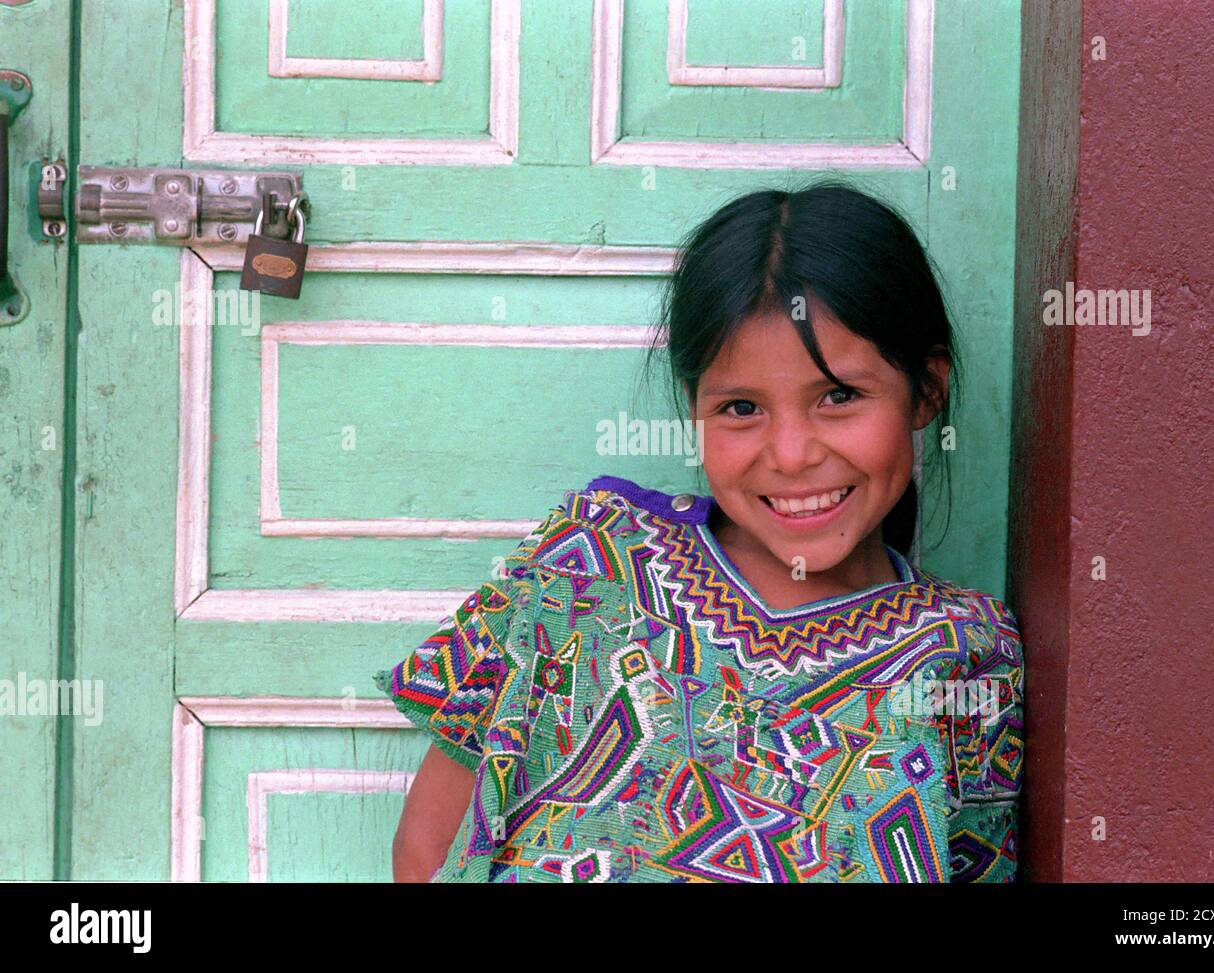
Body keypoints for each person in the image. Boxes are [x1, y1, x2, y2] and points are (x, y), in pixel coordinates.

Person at [373, 180, 1025, 883]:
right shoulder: (591, 559)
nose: (793, 452)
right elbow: (427, 844)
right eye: (742, 407)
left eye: (838, 396)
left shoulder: (964, 651)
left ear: (926, 390)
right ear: (694, 409)